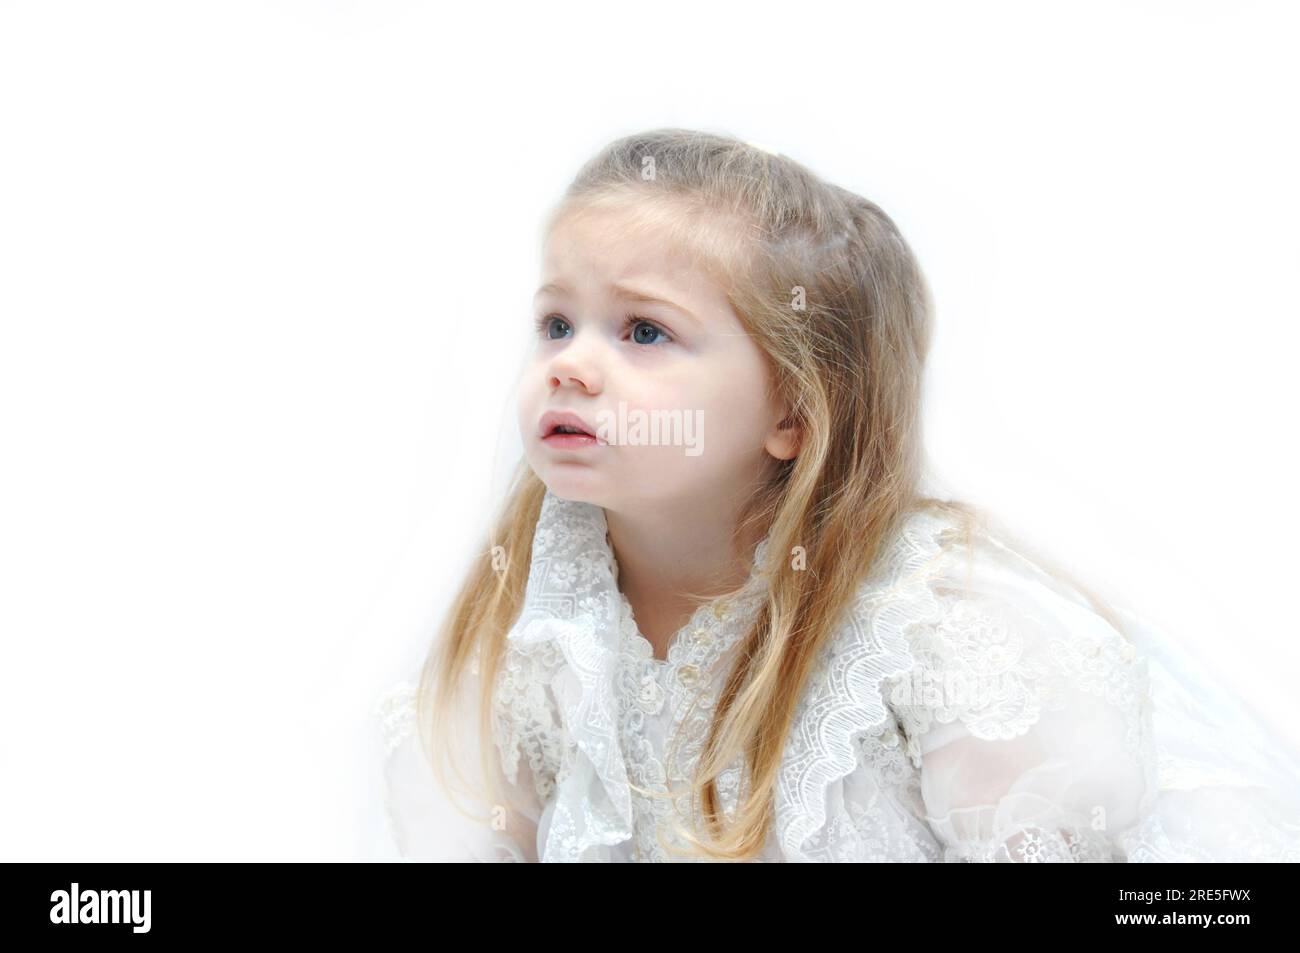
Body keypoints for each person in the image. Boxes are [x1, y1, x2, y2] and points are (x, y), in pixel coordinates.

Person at [372, 128, 1300, 862]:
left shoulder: (944, 640)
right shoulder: (534, 627)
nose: (570, 365)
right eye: (557, 322)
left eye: (644, 331)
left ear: (793, 410)